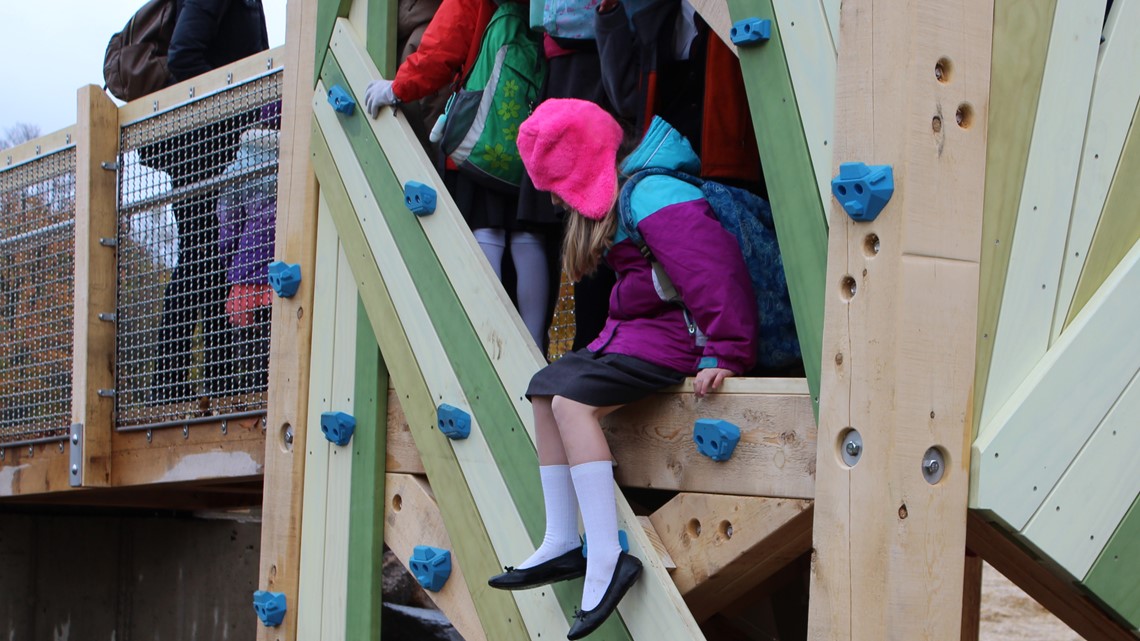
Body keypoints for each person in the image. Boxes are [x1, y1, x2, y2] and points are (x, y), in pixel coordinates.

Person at [487, 99, 757, 639]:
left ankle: (607, 556)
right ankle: (563, 539)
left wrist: (724, 353)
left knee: (572, 403)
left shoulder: (654, 192)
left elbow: (714, 272)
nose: (563, 202)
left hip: (676, 341)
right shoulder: (627, 192)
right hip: (637, 334)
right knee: (545, 389)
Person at [364, 0, 555, 350]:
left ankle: (491, 347)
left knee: (486, 235)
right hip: (535, 132)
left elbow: (442, 47)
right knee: (529, 237)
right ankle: (535, 351)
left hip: (481, 136)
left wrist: (397, 88)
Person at [142, 0, 270, 403]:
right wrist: (235, 108)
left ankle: (216, 383)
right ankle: (171, 388)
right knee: (200, 261)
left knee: (214, 265)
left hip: (222, 152)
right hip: (203, 151)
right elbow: (183, 56)